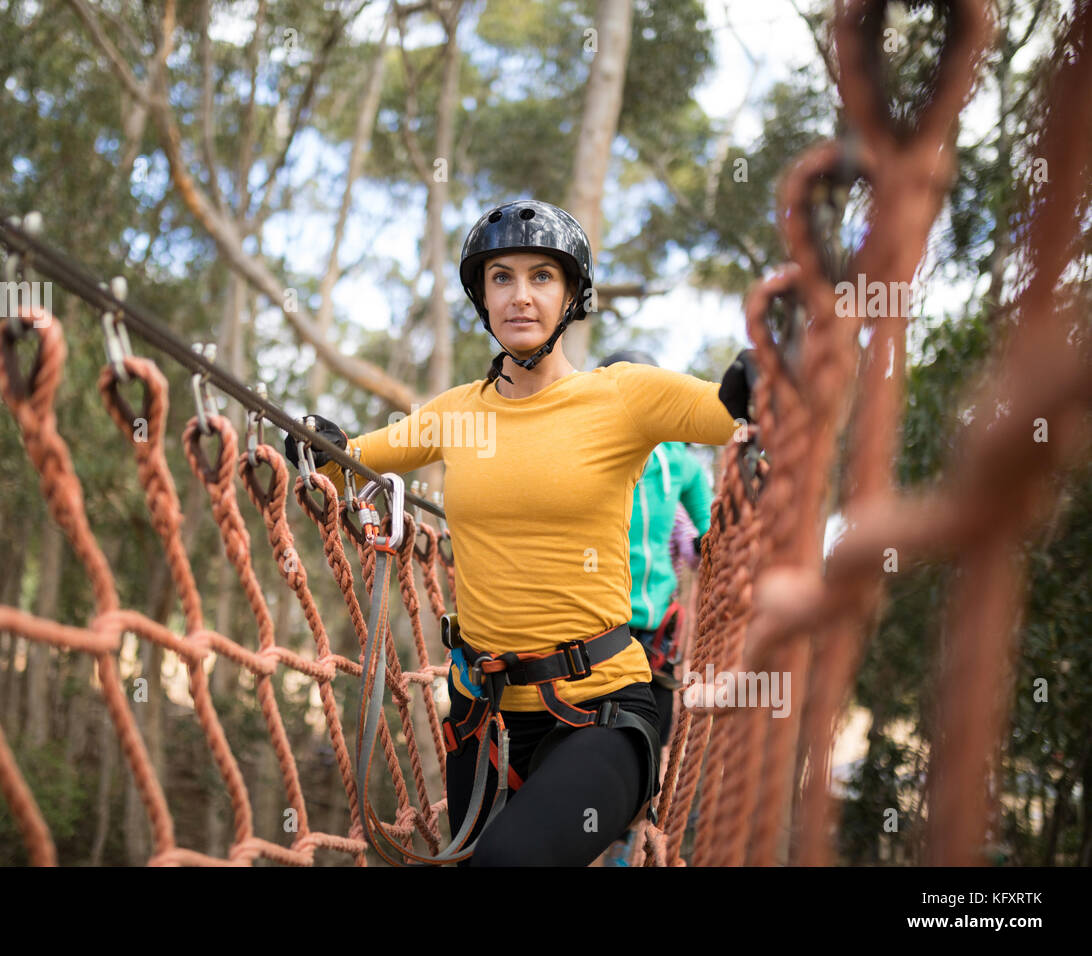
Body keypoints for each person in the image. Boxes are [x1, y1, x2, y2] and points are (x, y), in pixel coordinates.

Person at [284, 199, 757, 866]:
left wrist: (758, 381)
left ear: (571, 295)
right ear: (481, 296)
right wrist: (316, 447)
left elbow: (722, 411)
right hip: (484, 718)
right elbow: (350, 459)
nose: (520, 295)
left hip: (603, 714)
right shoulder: (455, 414)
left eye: (542, 276)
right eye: (501, 277)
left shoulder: (620, 397)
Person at [596, 350, 715, 865]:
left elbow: (709, 530)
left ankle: (627, 840)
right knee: (588, 740)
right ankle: (588, 832)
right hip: (590, 623)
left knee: (651, 743)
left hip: (653, 630)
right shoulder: (588, 444)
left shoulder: (681, 462)